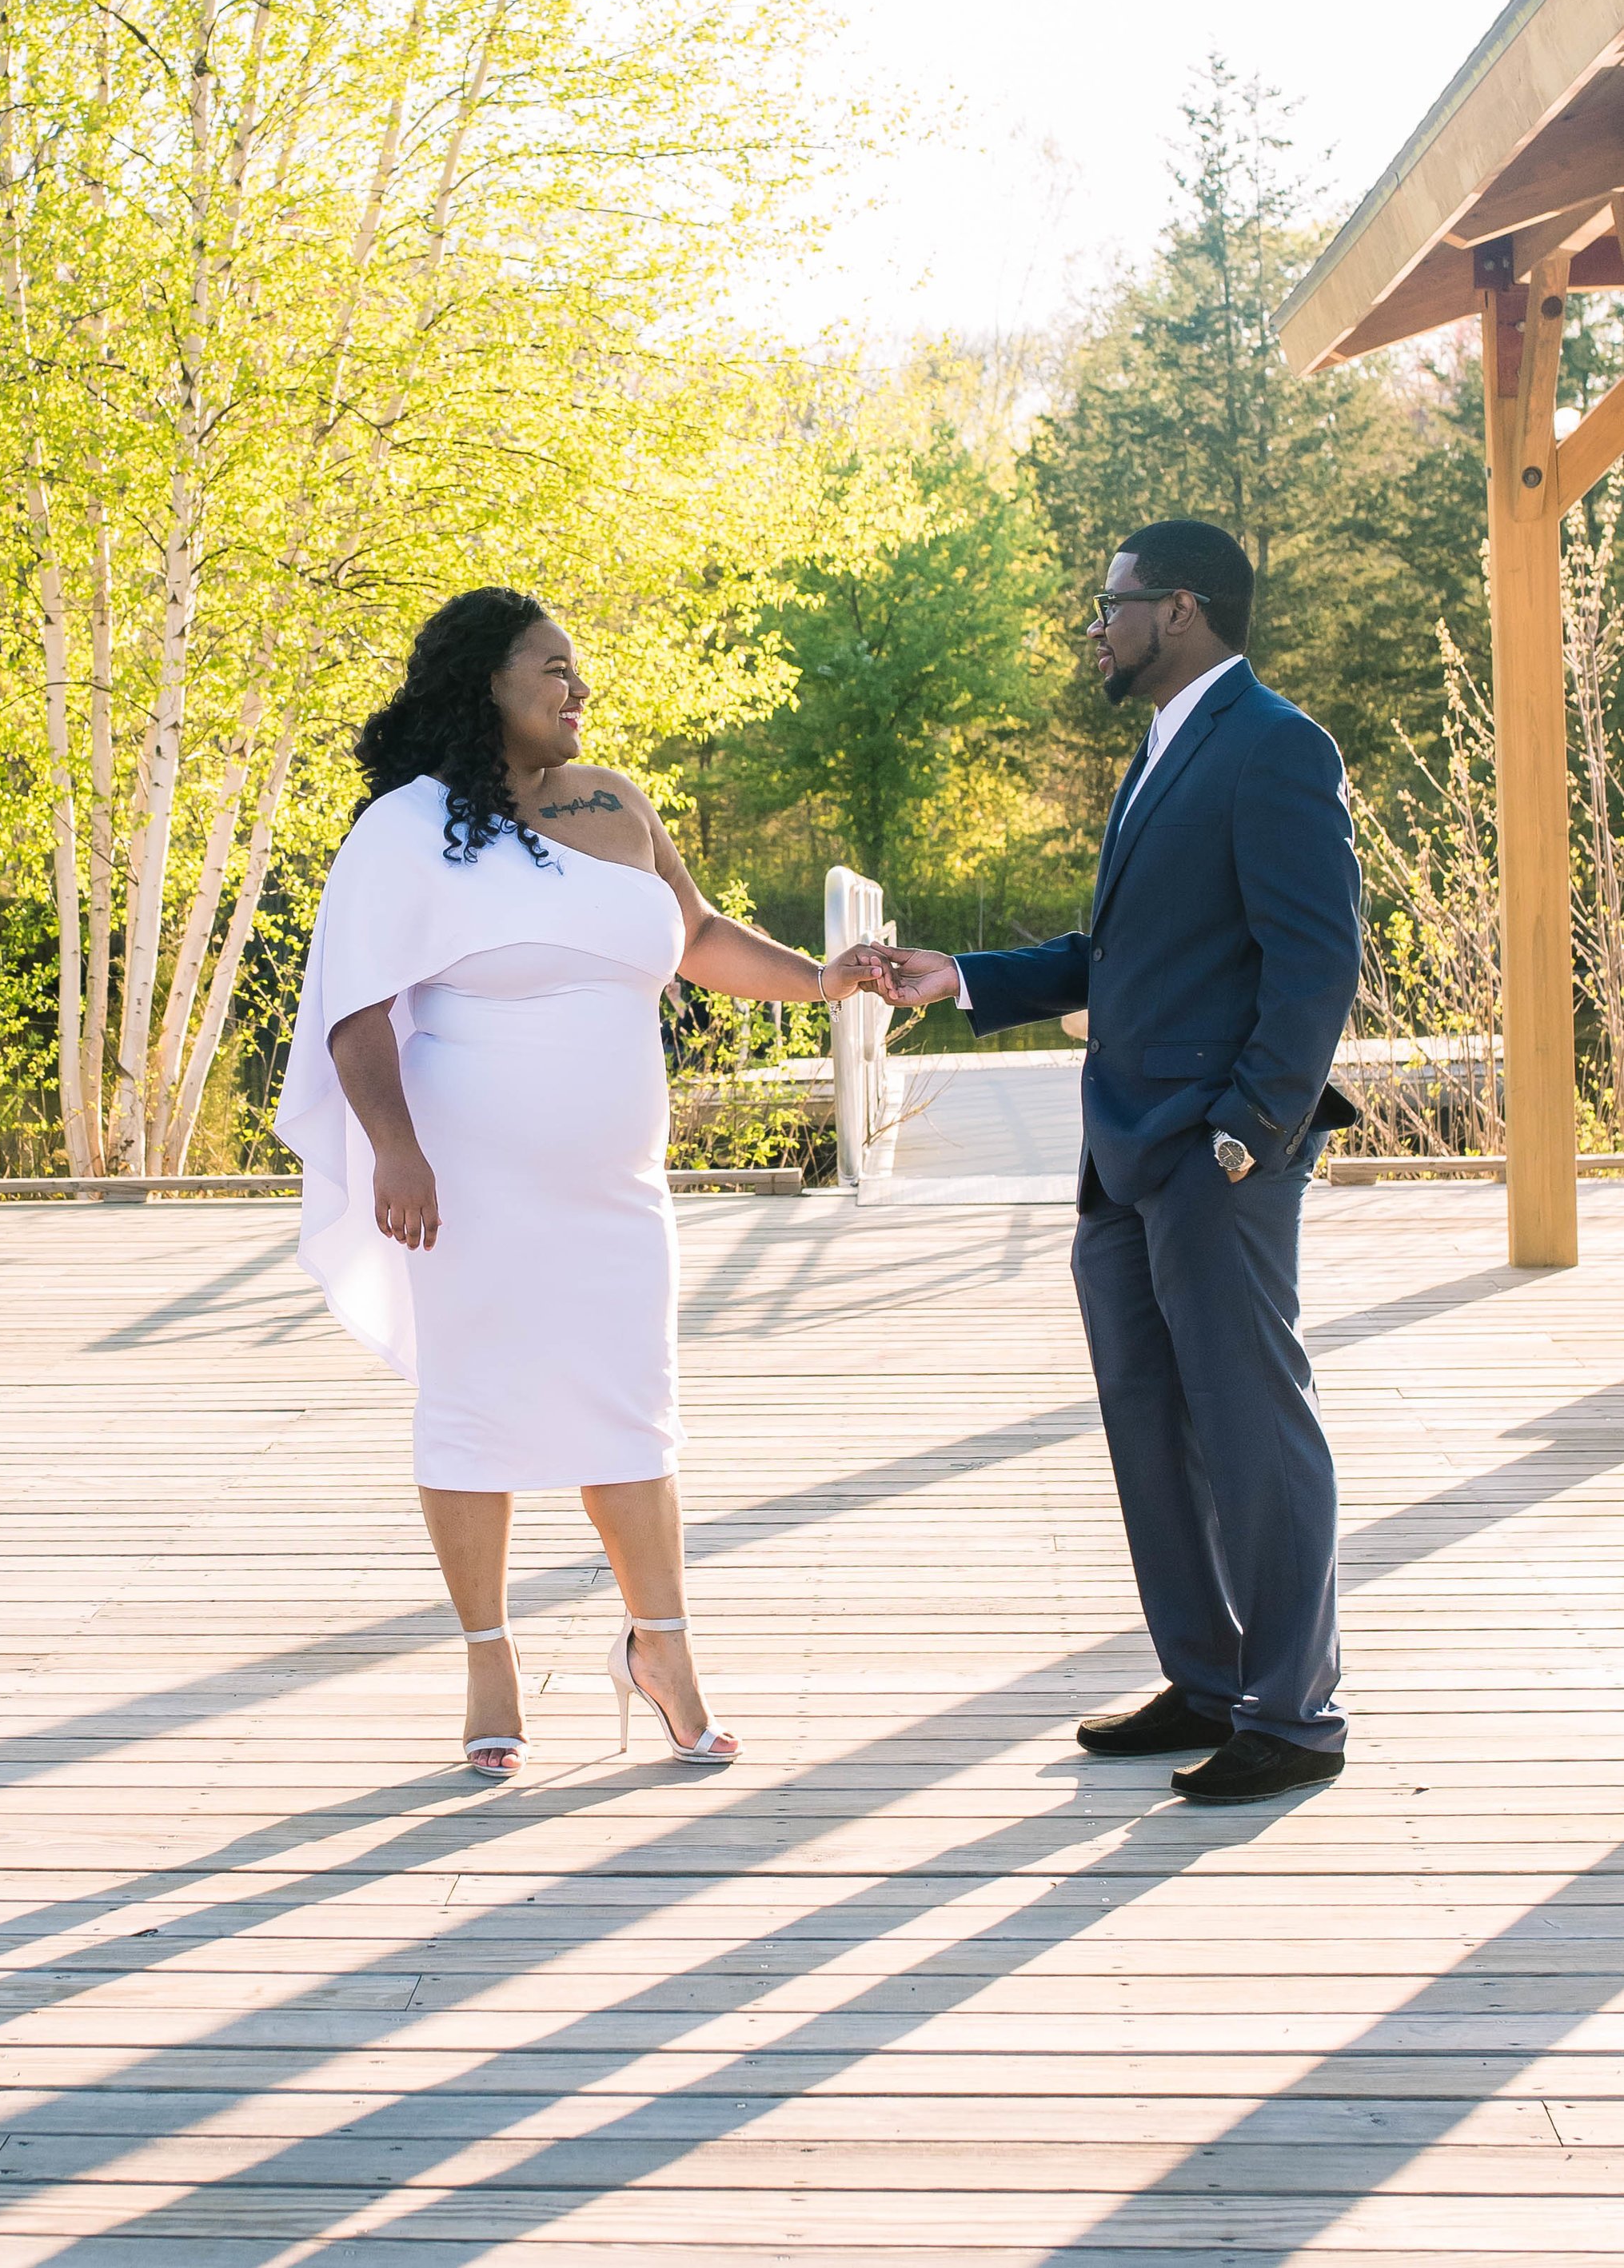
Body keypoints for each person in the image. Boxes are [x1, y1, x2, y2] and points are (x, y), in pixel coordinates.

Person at [275, 585, 884, 1781]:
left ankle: (663, 1654)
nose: (577, 690)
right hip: (465, 1181)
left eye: (578, 672)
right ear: (483, 685)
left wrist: (826, 977)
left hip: (615, 1189)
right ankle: (490, 1664)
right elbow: (351, 1006)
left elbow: (699, 935)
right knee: (475, 1405)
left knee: (632, 1405)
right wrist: (395, 1146)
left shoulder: (615, 802)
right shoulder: (404, 828)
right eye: (552, 670)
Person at [875, 521, 1362, 1804]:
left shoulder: (1278, 747)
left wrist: (1248, 1133)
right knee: (1152, 1425)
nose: (1096, 623)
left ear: (1182, 610)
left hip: (1217, 1155)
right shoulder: (1159, 749)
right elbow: (1119, 952)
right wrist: (965, 976)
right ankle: (1208, 1678)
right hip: (1121, 1153)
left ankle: (1294, 1713)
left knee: (1253, 1422)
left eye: (1113, 601)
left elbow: (1317, 964)